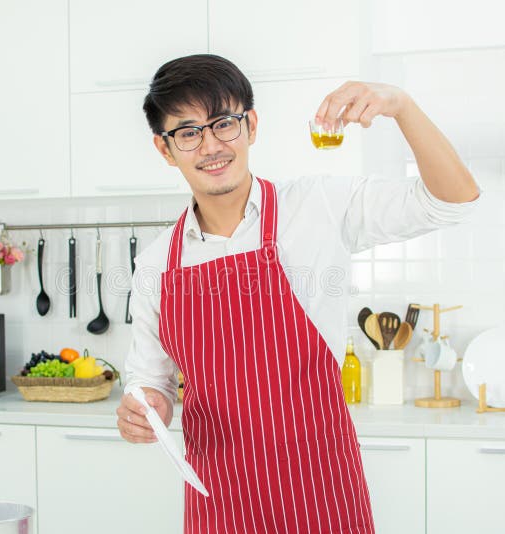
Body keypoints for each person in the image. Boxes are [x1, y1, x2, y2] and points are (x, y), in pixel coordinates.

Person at [116, 54, 479, 534]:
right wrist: (144, 409)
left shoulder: (317, 206)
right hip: (219, 498)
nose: (210, 145)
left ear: (251, 126)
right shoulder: (156, 264)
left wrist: (401, 106)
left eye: (224, 123)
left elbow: (451, 202)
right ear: (166, 149)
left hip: (320, 489)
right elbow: (150, 381)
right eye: (188, 132)